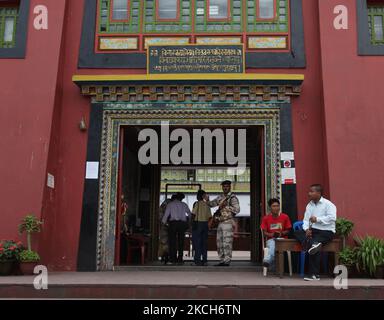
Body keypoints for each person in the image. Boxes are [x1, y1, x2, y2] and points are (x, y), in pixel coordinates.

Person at [294, 184, 337, 281]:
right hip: (313, 231)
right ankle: (312, 244)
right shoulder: (309, 205)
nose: (309, 193)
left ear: (318, 193)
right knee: (297, 233)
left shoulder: (328, 204)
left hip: (326, 231)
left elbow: (332, 218)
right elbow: (305, 220)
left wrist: (317, 219)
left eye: (311, 191)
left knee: (314, 245)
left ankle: (314, 274)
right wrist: (306, 230)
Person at [208, 180, 240, 266]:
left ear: (230, 187)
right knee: (220, 242)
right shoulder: (220, 197)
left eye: (227, 186)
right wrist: (207, 200)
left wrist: (226, 206)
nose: (225, 188)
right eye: (224, 186)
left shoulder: (233, 198)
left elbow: (237, 209)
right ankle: (221, 260)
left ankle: (227, 260)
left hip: (228, 222)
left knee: (227, 242)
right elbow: (211, 204)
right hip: (220, 222)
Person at [261, 198, 292, 271]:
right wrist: (272, 235)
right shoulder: (266, 218)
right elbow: (264, 233)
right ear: (270, 208)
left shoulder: (285, 217)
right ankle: (270, 263)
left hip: (282, 240)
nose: (276, 208)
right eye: (274, 206)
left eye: (277, 206)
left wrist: (280, 234)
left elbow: (288, 230)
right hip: (271, 239)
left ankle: (267, 261)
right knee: (273, 244)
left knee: (276, 243)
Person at [162, 192, 192, 265]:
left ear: (174, 197)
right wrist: (189, 224)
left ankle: (173, 259)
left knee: (172, 242)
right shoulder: (184, 204)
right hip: (182, 224)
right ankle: (180, 259)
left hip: (173, 224)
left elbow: (166, 215)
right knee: (181, 242)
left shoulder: (170, 204)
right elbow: (190, 214)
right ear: (181, 198)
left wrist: (164, 223)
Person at [191, 190, 212, 266]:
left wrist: (191, 224)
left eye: (197, 194)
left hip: (198, 224)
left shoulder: (197, 204)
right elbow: (210, 216)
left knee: (197, 243)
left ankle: (197, 261)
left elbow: (193, 214)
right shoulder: (207, 204)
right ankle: (205, 260)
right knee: (204, 243)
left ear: (200, 196)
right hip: (205, 224)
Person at [158, 194, 177, 264]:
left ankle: (165, 257)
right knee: (167, 242)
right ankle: (167, 257)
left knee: (164, 241)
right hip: (167, 225)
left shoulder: (165, 203)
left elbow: (160, 214)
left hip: (165, 224)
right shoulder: (170, 204)